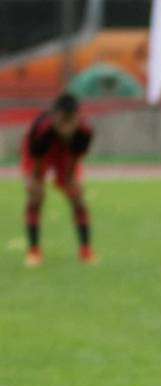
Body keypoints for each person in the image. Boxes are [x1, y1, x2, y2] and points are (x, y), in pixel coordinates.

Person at [21, 93, 95, 268]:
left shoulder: (85, 132)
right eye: (62, 122)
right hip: (39, 156)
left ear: (78, 117)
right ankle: (34, 251)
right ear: (54, 116)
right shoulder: (41, 129)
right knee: (36, 196)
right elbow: (37, 162)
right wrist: (36, 182)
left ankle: (86, 250)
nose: (66, 128)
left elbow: (75, 160)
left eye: (71, 122)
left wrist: (70, 181)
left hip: (65, 155)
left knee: (77, 198)